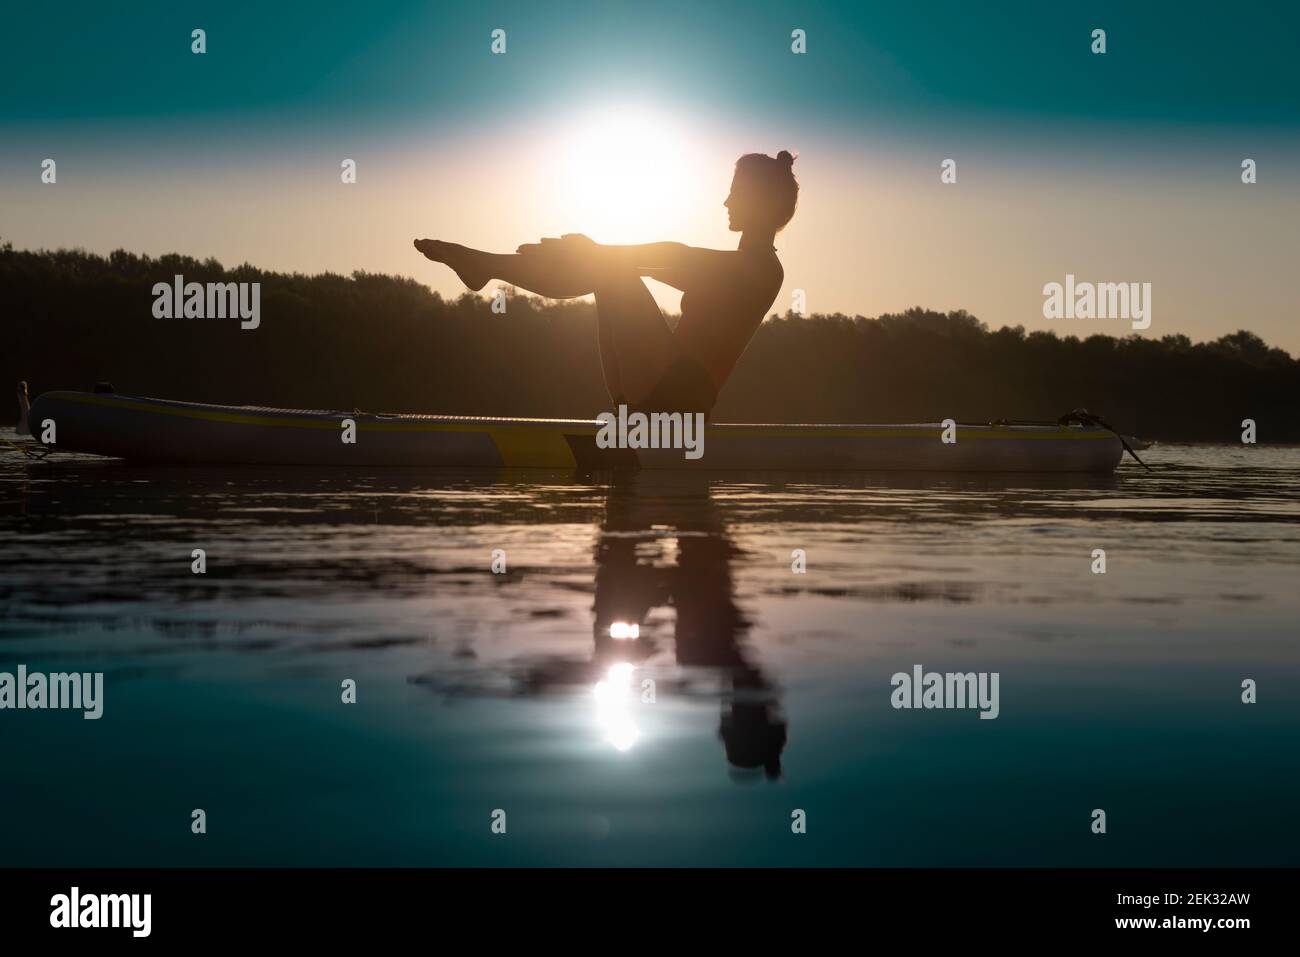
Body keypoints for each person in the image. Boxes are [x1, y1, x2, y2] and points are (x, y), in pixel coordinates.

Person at [415, 151, 798, 419]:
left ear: (760, 200)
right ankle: (487, 266)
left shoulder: (762, 269)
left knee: (607, 267)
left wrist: (592, 250)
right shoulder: (732, 267)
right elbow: (663, 262)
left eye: (736, 191)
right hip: (651, 393)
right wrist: (584, 254)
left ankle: (485, 266)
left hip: (681, 400)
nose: (726, 200)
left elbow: (675, 255)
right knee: (605, 269)